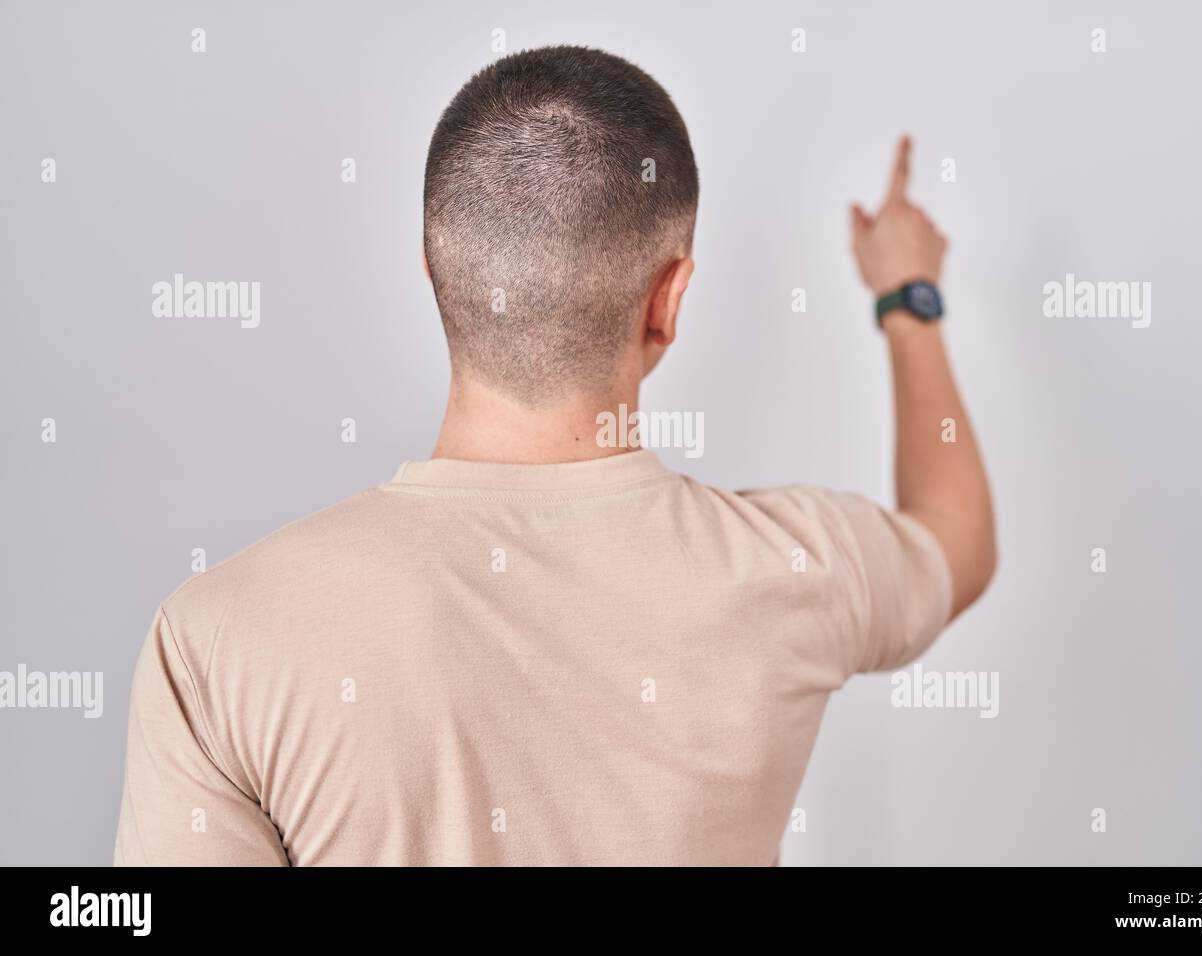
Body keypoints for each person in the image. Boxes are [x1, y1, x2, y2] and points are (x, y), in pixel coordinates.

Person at [114, 45, 995, 867]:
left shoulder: (217, 639)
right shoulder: (799, 565)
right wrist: (905, 294)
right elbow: (958, 538)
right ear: (669, 301)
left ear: (434, 269)